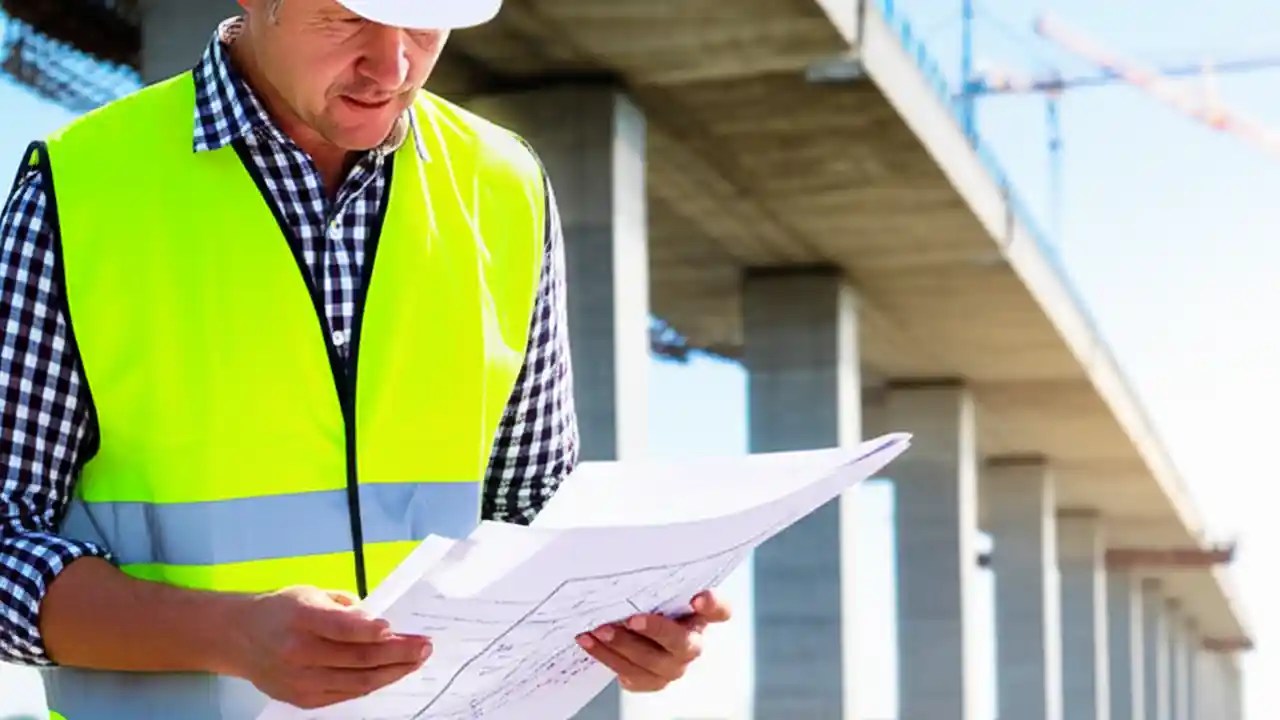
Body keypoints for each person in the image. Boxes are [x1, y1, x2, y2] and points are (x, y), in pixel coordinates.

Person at [0, 0, 730, 717]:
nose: (393, 65)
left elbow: (532, 512)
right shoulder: (79, 191)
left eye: (422, 21)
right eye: (348, 19)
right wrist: (228, 635)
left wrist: (628, 622)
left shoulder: (504, 188)